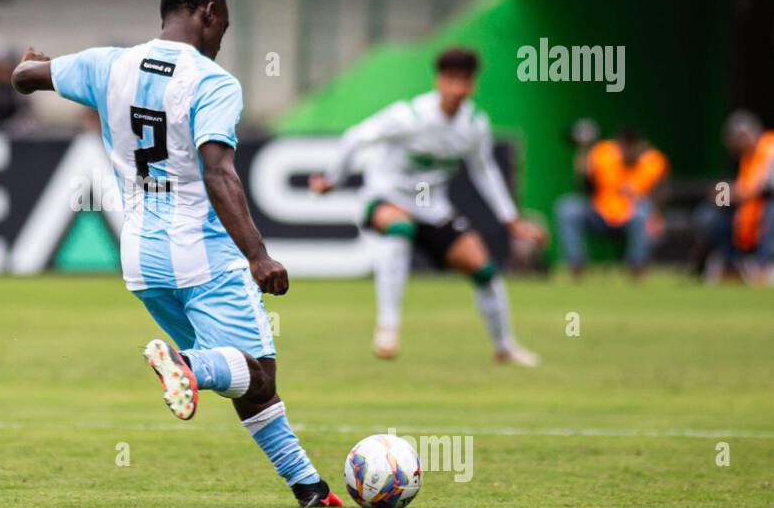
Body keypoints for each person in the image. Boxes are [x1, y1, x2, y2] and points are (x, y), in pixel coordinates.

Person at [10, 0, 342, 508]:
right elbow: (219, 173)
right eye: (222, 28)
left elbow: (25, 76)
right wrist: (257, 255)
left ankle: (309, 487)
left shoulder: (107, 63)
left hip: (142, 259)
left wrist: (31, 63)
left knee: (243, 376)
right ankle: (185, 365)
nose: (219, 41)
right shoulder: (212, 82)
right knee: (256, 373)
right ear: (207, 11)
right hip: (203, 255)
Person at [309, 47, 545, 365]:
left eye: (465, 80)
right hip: (386, 197)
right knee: (399, 228)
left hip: (432, 208)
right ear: (439, 81)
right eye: (451, 79)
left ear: (473, 84)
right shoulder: (409, 117)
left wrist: (510, 219)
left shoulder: (474, 124)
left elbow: (484, 171)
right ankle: (388, 327)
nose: (457, 88)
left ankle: (504, 347)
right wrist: (333, 180)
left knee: (484, 269)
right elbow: (355, 137)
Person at [555, 127, 668, 278]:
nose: (627, 150)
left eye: (632, 146)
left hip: (633, 215)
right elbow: (585, 188)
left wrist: (656, 214)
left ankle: (637, 267)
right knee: (568, 207)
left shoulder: (653, 161)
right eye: (623, 146)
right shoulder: (603, 154)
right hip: (599, 213)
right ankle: (577, 264)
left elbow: (661, 194)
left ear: (642, 146)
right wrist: (582, 171)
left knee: (643, 212)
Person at [694, 110, 774, 282]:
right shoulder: (748, 157)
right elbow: (743, 188)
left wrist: (726, 194)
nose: (733, 149)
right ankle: (731, 265)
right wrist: (721, 195)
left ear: (744, 136)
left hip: (766, 214)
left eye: (734, 142)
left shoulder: (770, 146)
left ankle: (765, 267)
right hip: (748, 218)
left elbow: (760, 189)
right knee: (709, 216)